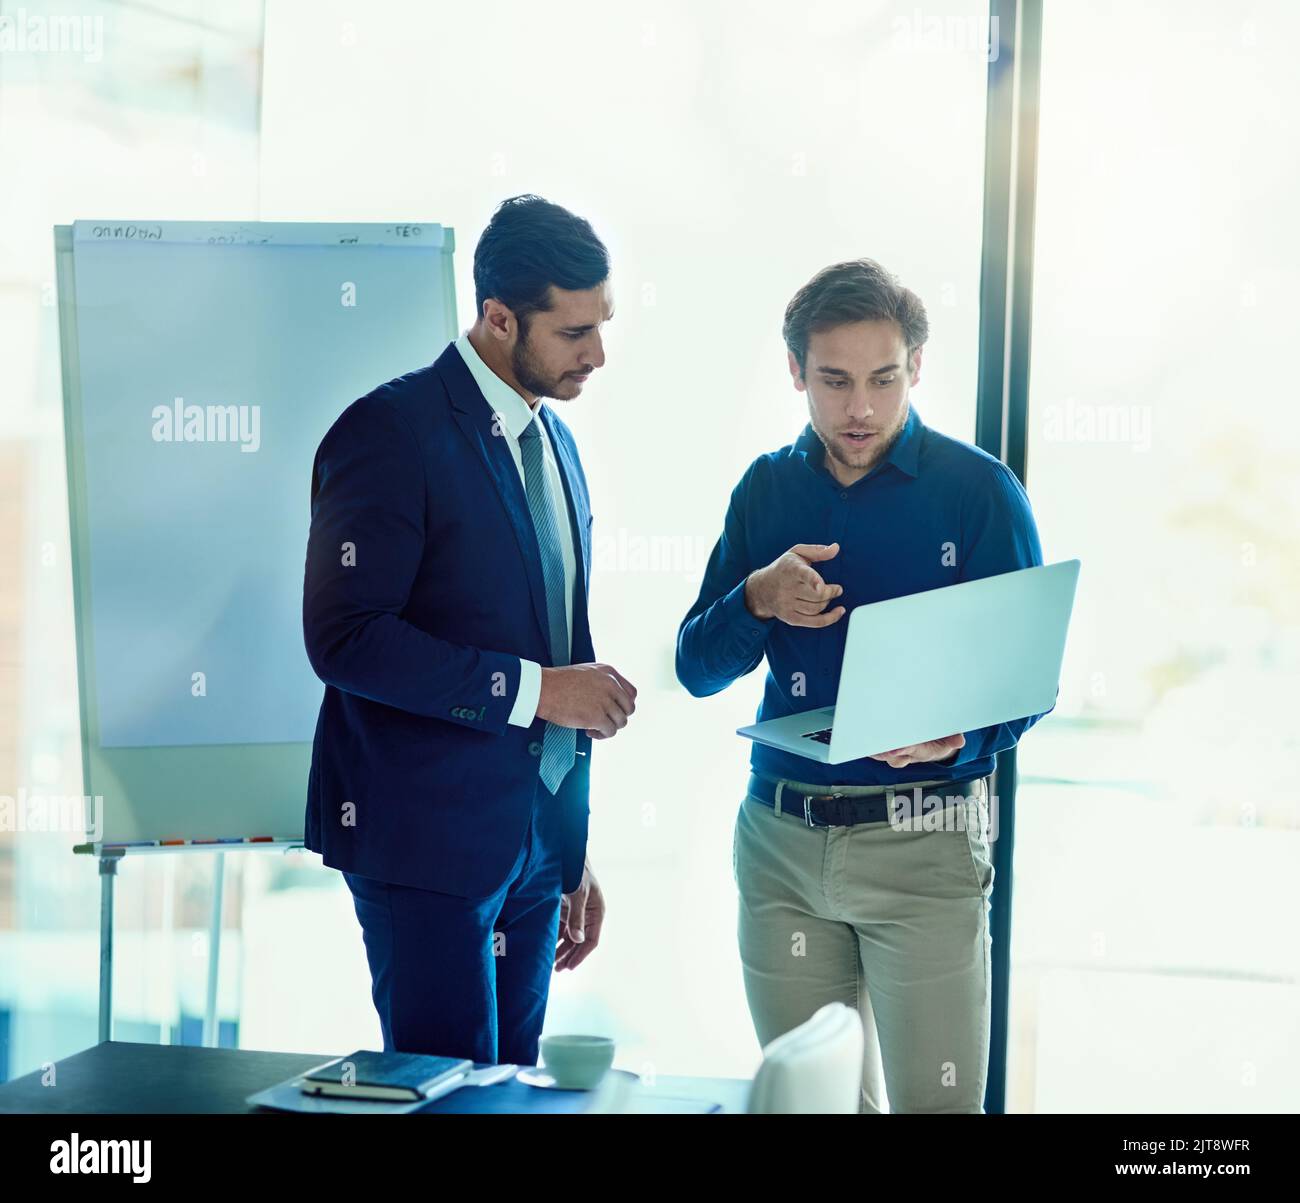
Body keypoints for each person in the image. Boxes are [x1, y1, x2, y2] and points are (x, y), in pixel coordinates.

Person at [676, 258, 1047, 1112]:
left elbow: (1026, 685)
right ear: (796, 372)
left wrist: (967, 736)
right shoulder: (766, 490)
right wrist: (757, 597)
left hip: (928, 838)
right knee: (812, 1104)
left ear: (917, 367)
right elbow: (697, 668)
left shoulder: (979, 494)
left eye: (884, 379)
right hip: (781, 843)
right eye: (834, 381)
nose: (860, 408)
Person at [303, 195, 636, 1066]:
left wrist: (568, 851)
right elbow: (345, 637)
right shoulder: (389, 431)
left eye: (603, 325)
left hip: (531, 851)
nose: (598, 354)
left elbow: (558, 636)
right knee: (448, 1092)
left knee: (511, 1090)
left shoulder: (556, 444)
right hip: (424, 844)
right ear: (497, 317)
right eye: (574, 333)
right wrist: (538, 691)